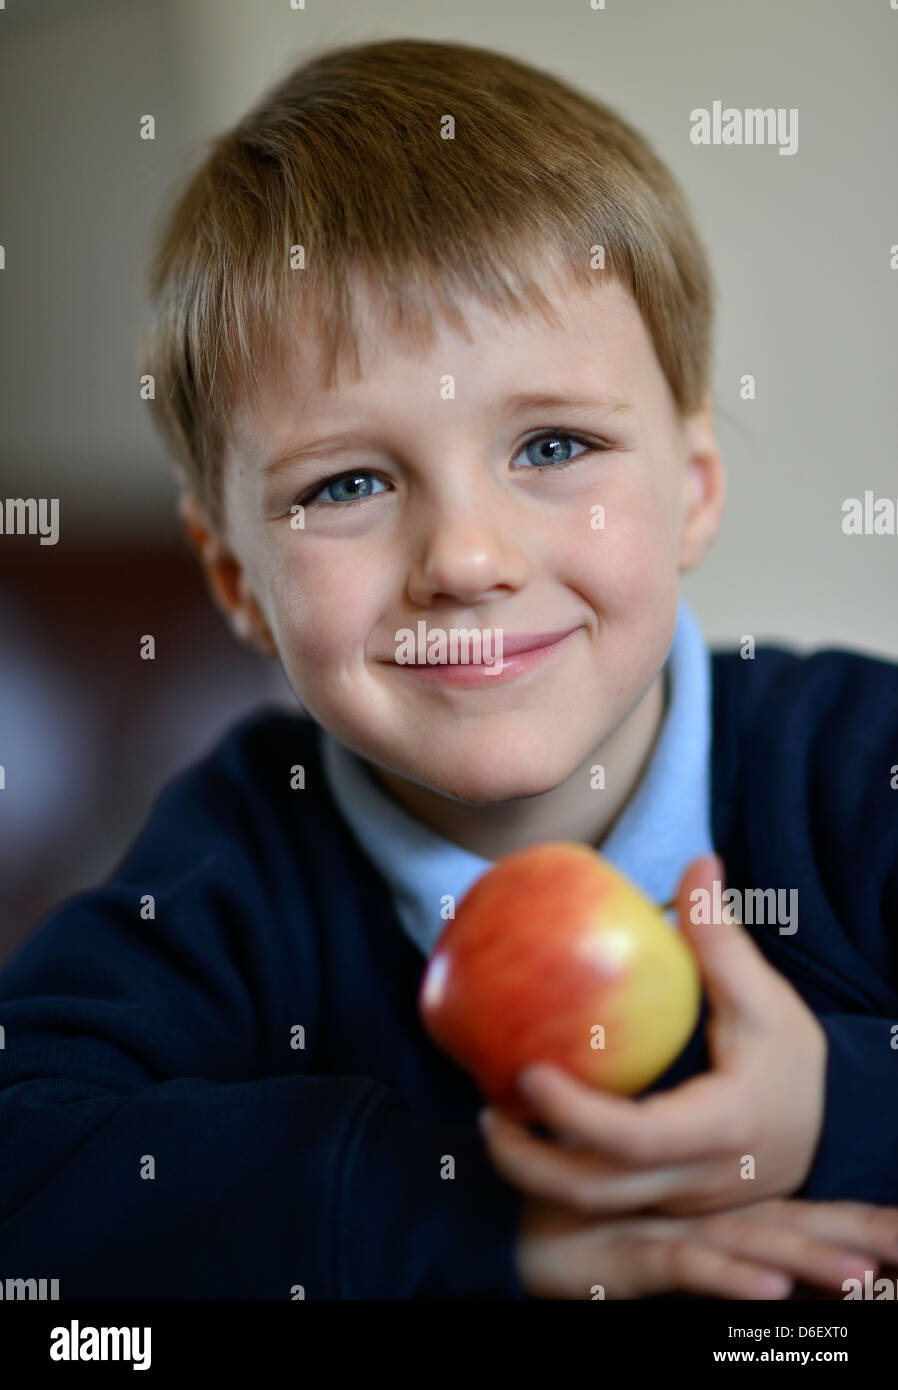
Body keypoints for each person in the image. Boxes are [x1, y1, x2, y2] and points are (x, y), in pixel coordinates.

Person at [1, 37, 897, 1301]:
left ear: (690, 492)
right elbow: (25, 1162)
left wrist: (835, 1110)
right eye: (349, 483)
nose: (467, 558)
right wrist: (473, 1222)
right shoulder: (240, 861)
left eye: (553, 445)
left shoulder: (859, 763)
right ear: (235, 581)